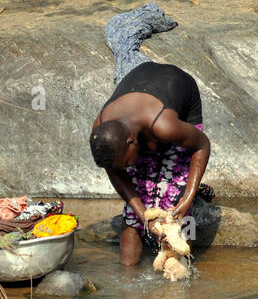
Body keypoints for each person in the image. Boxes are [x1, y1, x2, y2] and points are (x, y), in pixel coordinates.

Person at [89, 62, 211, 267]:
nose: (127, 167)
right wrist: (145, 217)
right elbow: (117, 172)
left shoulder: (166, 126)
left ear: (132, 142)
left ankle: (182, 272)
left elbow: (202, 145)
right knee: (133, 212)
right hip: (144, 97)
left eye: (126, 162)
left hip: (177, 101)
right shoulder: (103, 133)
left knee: (176, 201)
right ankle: (128, 277)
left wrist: (189, 197)